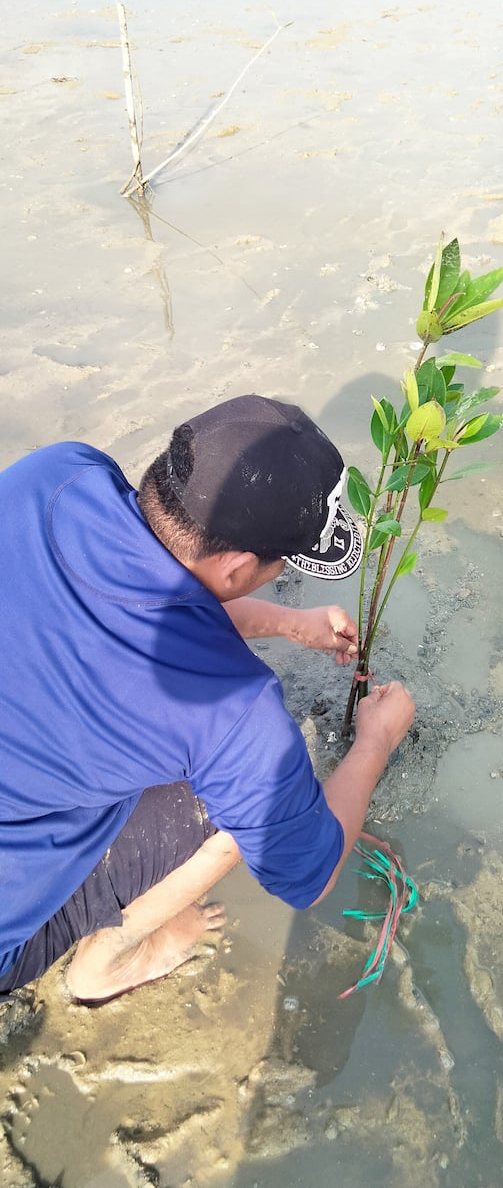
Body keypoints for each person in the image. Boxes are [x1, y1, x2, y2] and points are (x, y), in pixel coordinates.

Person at [0, 394, 414, 1003]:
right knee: (246, 806)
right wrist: (376, 739)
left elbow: (145, 587)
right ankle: (104, 968)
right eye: (279, 567)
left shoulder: (58, 475)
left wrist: (288, 623)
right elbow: (311, 872)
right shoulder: (235, 713)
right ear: (240, 565)